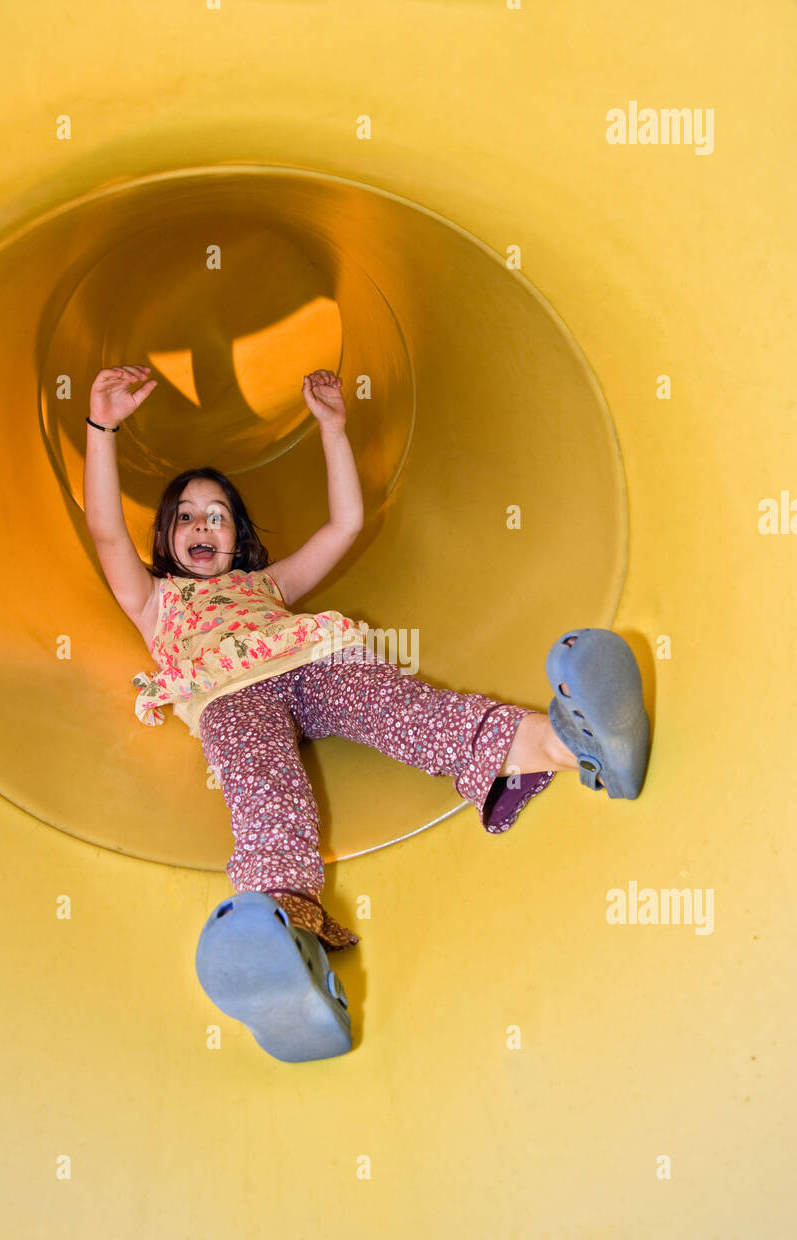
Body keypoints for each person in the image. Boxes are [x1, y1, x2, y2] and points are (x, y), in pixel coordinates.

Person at [84, 365, 650, 1062]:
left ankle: (573, 744)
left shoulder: (266, 585)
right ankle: (284, 957)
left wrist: (331, 428)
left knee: (407, 708)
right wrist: (102, 428)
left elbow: (346, 523)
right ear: (166, 536)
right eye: (186, 516)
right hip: (229, 696)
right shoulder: (154, 601)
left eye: (218, 514)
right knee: (264, 791)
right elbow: (105, 530)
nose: (203, 524)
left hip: (314, 662)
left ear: (239, 538)